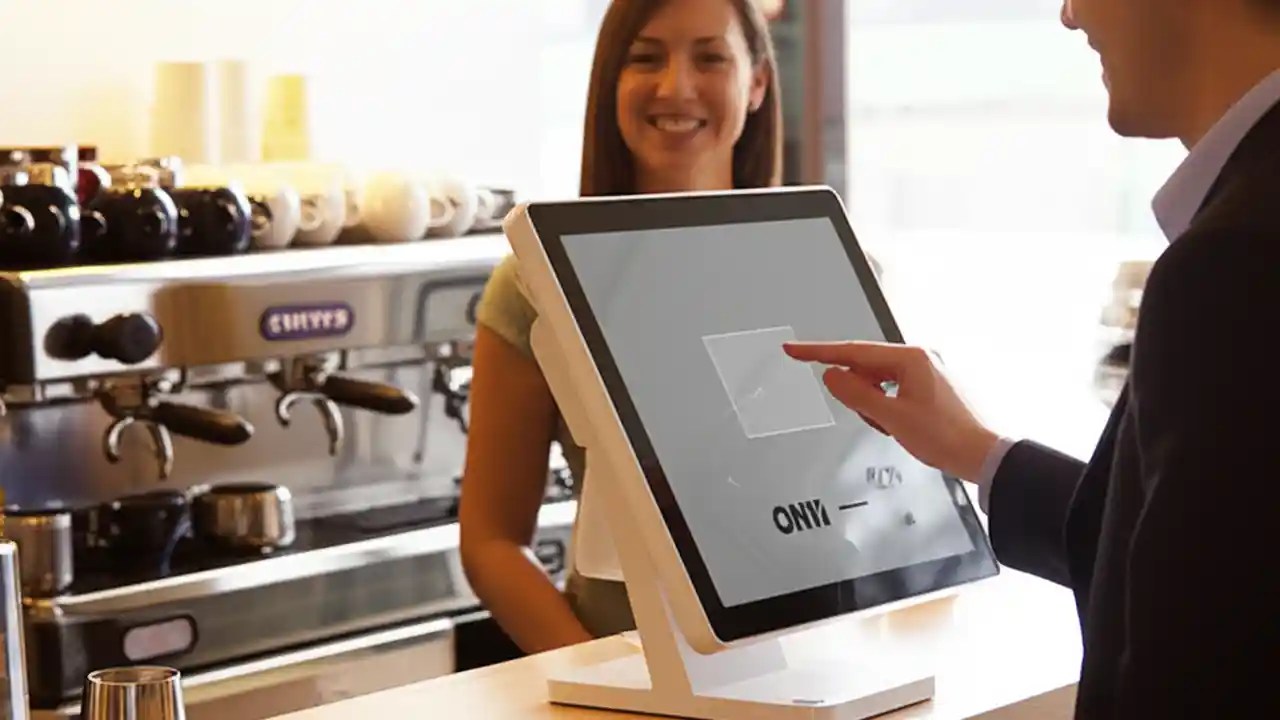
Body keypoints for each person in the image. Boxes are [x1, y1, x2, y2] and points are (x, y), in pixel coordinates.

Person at [784, 0, 1280, 717]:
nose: (1070, 15)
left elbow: (1194, 670)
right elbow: (1207, 564)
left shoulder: (1237, 259)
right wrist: (979, 454)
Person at [459, 0, 783, 655]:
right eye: (644, 58)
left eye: (710, 57)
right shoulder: (534, 282)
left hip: (807, 661)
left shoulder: (817, 266)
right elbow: (491, 542)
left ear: (755, 84)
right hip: (625, 668)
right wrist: (604, 675)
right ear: (610, 84)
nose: (675, 87)